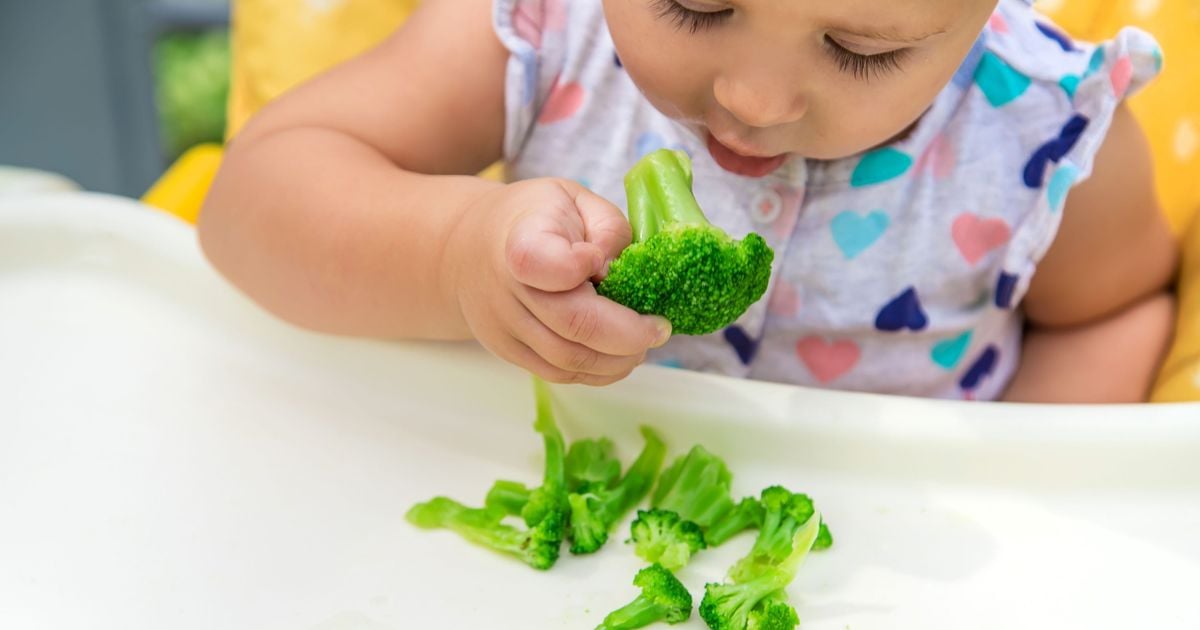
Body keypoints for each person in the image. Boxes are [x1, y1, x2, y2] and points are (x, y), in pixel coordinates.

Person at [198, 0, 1177, 402]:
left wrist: (997, 500)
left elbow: (1117, 311)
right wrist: (452, 255)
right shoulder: (546, 35)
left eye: (861, 50)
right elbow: (256, 196)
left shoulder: (1044, 131)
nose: (752, 98)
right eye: (696, 3)